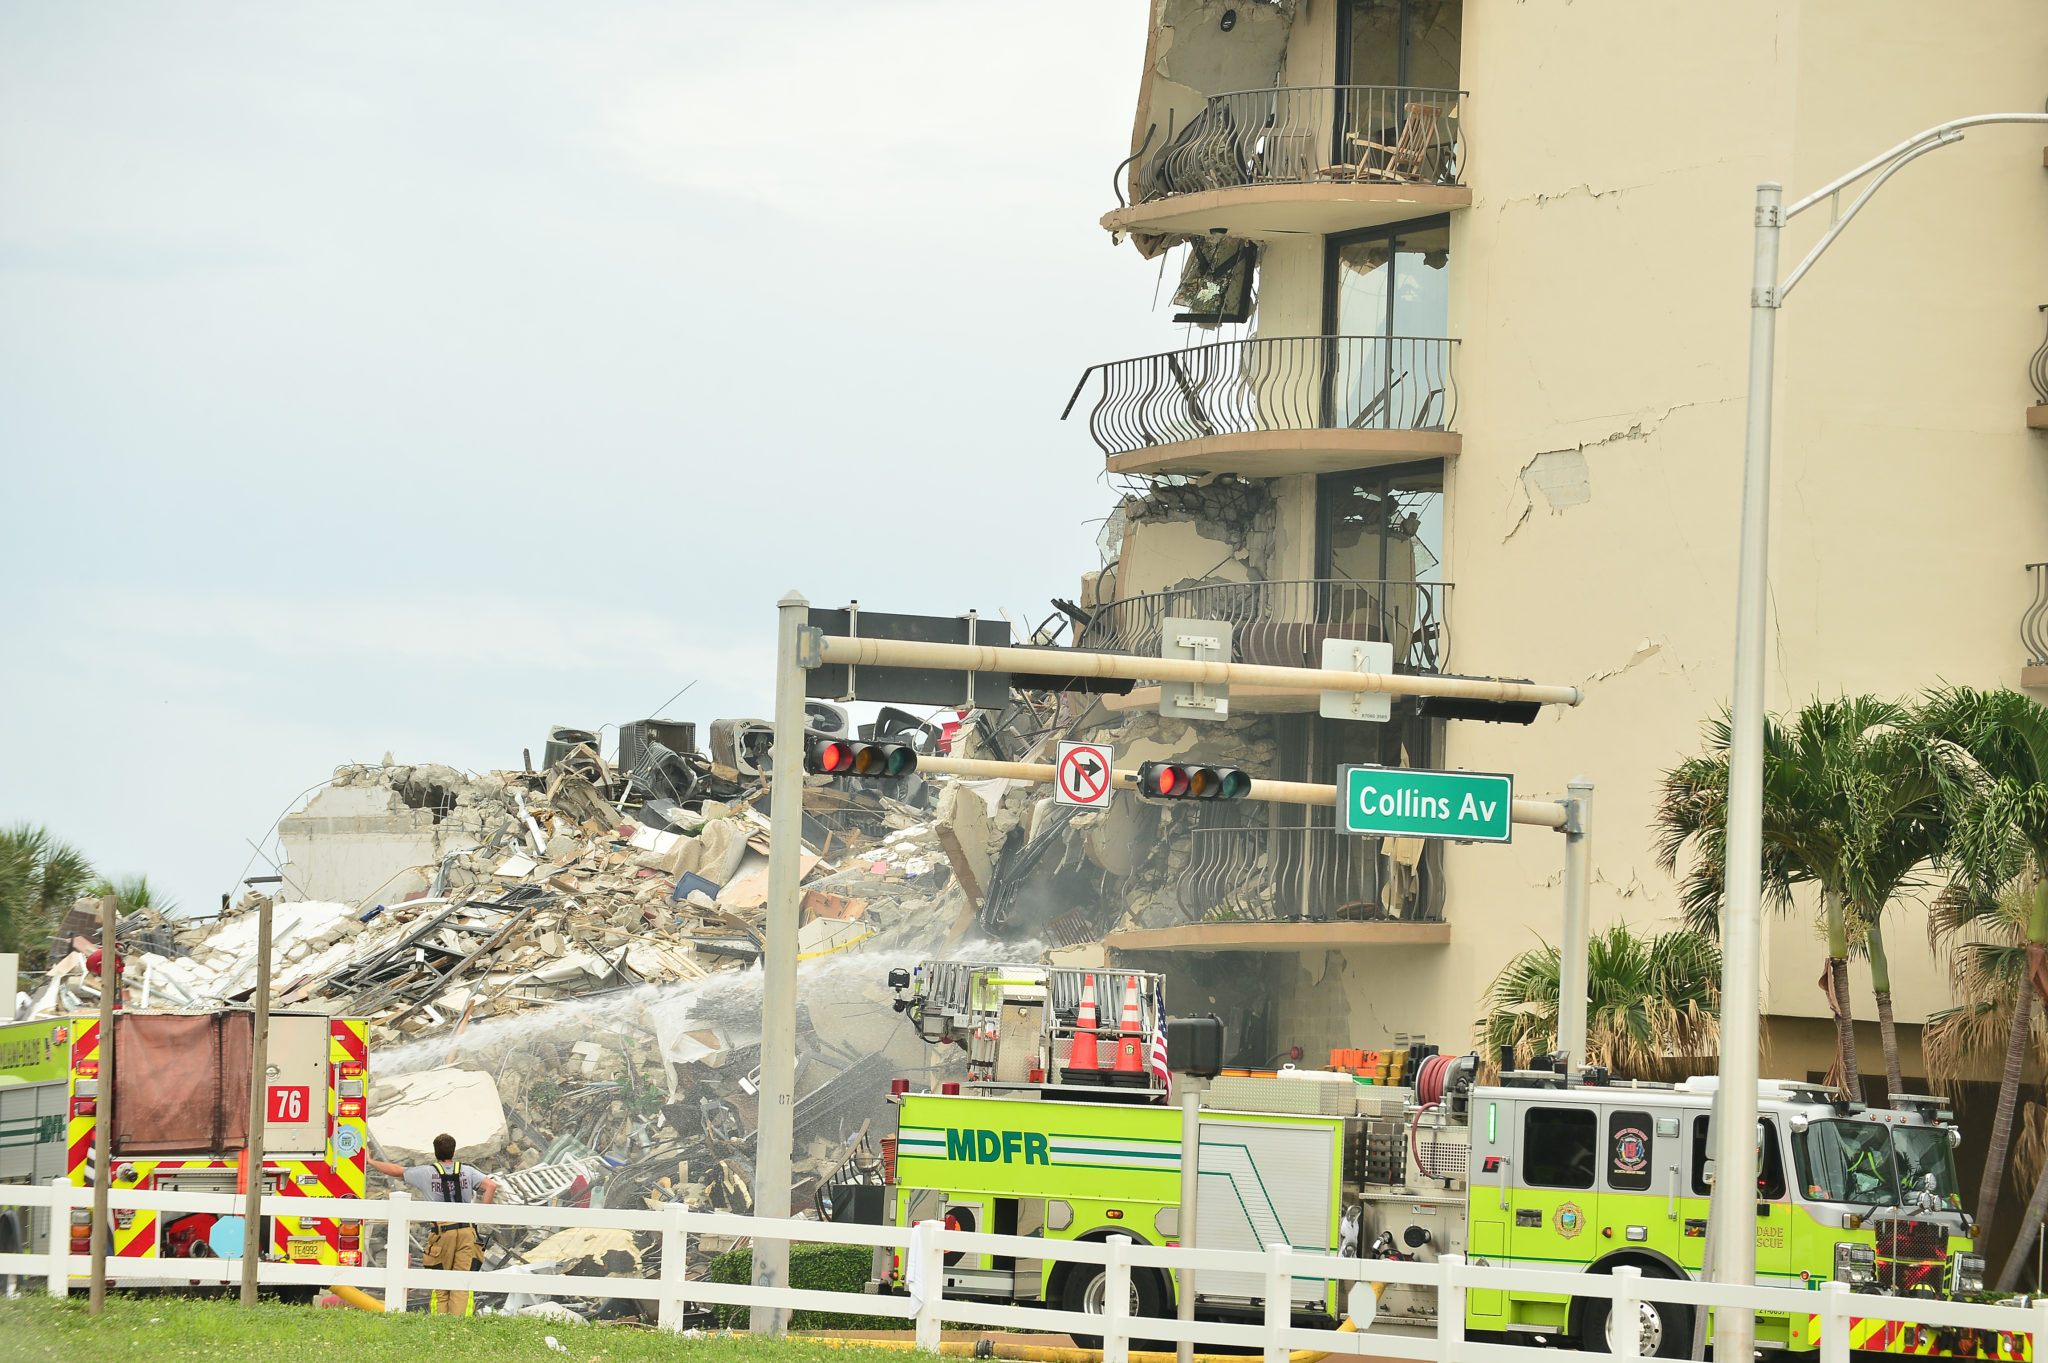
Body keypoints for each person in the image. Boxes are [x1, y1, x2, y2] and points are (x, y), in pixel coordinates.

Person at [368, 1133, 498, 1315]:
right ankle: (460, 1323)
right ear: (453, 1151)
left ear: (435, 1152)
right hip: (467, 1231)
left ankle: (440, 1321)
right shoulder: (467, 1171)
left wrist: (372, 1161)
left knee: (440, 1281)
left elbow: (397, 1171)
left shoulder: (426, 1173)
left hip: (442, 1232)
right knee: (462, 1283)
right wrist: (480, 1214)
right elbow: (490, 1186)